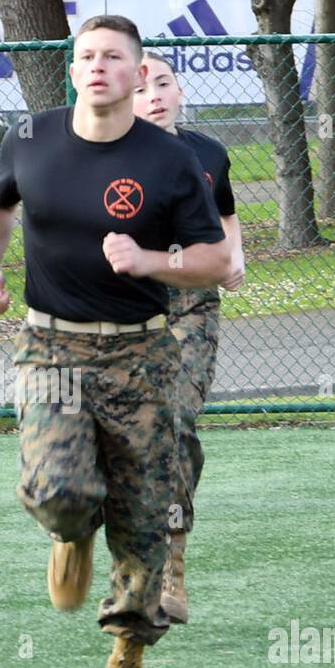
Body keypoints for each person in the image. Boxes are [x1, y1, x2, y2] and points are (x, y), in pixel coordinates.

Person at [0, 14, 231, 668]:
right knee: (59, 487)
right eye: (86, 55)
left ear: (137, 71)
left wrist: (150, 261)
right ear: (73, 67)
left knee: (146, 512)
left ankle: (126, 662)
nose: (97, 67)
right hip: (51, 344)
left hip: (140, 349)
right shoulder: (33, 136)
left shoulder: (171, 161)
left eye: (113, 57)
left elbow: (217, 261)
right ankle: (68, 529)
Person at [132, 50, 244, 622]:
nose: (153, 95)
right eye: (140, 87)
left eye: (163, 84)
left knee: (176, 423)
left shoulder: (209, 154)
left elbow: (224, 214)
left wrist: (235, 255)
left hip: (191, 307)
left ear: (179, 92)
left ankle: (172, 563)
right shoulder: (107, 158)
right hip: (125, 311)